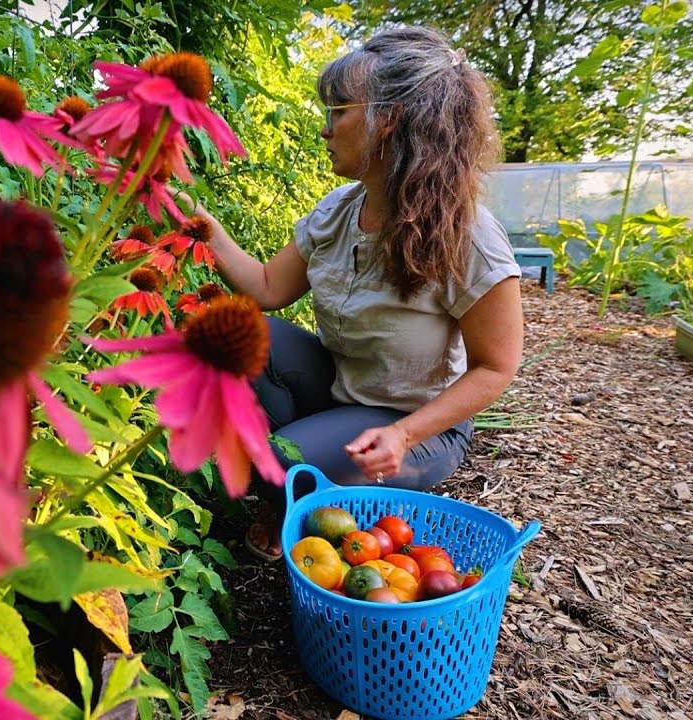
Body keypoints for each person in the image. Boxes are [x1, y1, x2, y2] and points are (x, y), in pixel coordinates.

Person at [187, 26, 524, 561]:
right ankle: (307, 474)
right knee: (238, 333)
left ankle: (303, 484)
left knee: (275, 467)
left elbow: (497, 367)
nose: (326, 128)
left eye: (339, 110)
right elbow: (267, 289)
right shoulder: (340, 209)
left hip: (417, 423)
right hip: (346, 390)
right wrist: (197, 221)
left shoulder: (467, 235)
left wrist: (406, 436)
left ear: (388, 119)